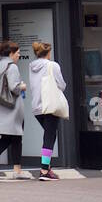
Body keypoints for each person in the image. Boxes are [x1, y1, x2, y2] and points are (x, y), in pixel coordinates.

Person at [0, 40, 29, 180]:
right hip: (12, 107)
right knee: (16, 137)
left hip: (0, 106)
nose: (19, 55)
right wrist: (22, 86)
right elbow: (14, 88)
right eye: (17, 52)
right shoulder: (13, 67)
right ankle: (17, 171)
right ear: (11, 53)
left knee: (9, 136)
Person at [29, 41, 67, 181]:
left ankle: (47, 167)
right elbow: (61, 85)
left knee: (49, 135)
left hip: (37, 107)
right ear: (48, 53)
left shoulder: (31, 66)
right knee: (49, 137)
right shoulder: (53, 65)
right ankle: (44, 170)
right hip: (49, 105)